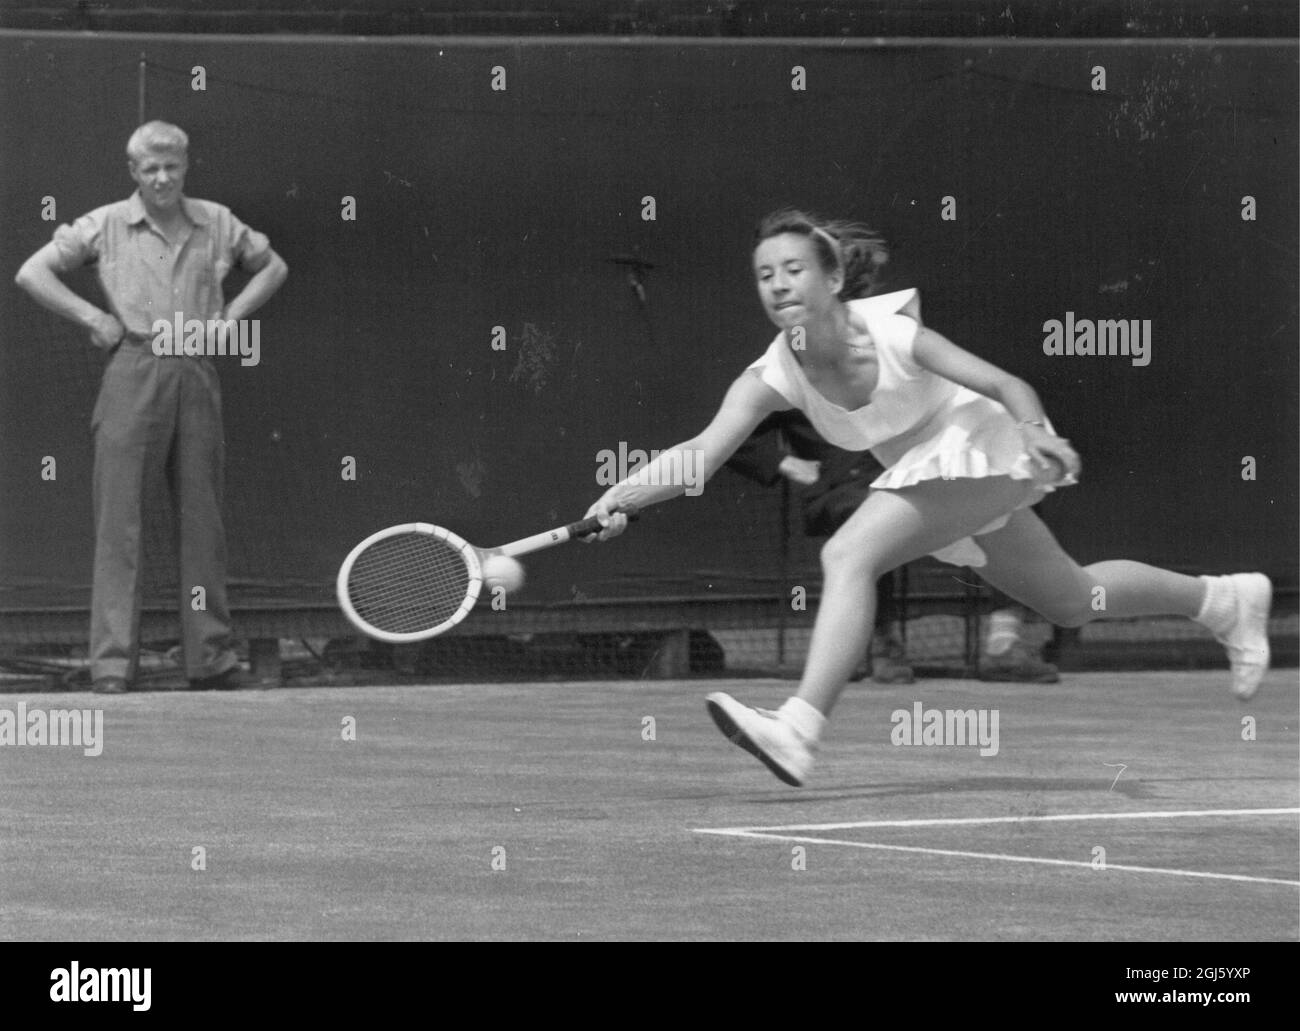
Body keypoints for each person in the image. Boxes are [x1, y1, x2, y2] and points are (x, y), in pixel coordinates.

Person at [583, 208, 1272, 786]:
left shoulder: (891, 333)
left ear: (831, 277)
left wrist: (1034, 433)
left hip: (985, 445)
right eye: (765, 275)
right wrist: (622, 496)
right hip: (931, 473)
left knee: (851, 552)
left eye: (793, 269)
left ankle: (798, 728)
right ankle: (1225, 601)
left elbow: (1007, 384)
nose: (778, 284)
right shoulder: (771, 374)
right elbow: (702, 453)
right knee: (1071, 596)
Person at [14, 121, 288, 694]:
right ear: (133, 172)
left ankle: (209, 658)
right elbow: (31, 272)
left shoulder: (216, 221)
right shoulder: (106, 223)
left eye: (172, 166)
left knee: (202, 520)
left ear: (186, 166)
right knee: (121, 522)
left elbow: (273, 266)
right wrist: (94, 318)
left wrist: (231, 321)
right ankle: (113, 665)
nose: (162, 178)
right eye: (150, 169)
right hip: (134, 367)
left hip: (195, 368)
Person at [725, 409, 915, 684]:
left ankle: (1001, 629)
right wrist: (785, 462)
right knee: (868, 516)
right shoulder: (785, 382)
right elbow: (730, 437)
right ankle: (874, 642)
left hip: (902, 477)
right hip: (838, 489)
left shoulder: (882, 371)